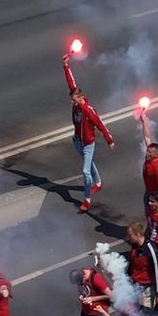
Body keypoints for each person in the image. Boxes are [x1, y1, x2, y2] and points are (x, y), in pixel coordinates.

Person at [64, 52, 116, 211]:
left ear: (80, 98)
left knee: (85, 171)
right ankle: (98, 182)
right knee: (89, 163)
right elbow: (71, 82)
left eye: (74, 100)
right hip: (78, 142)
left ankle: (87, 199)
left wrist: (109, 139)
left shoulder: (88, 110)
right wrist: (66, 65)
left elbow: (100, 124)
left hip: (88, 144)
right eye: (71, 99)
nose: (71, 102)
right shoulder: (76, 101)